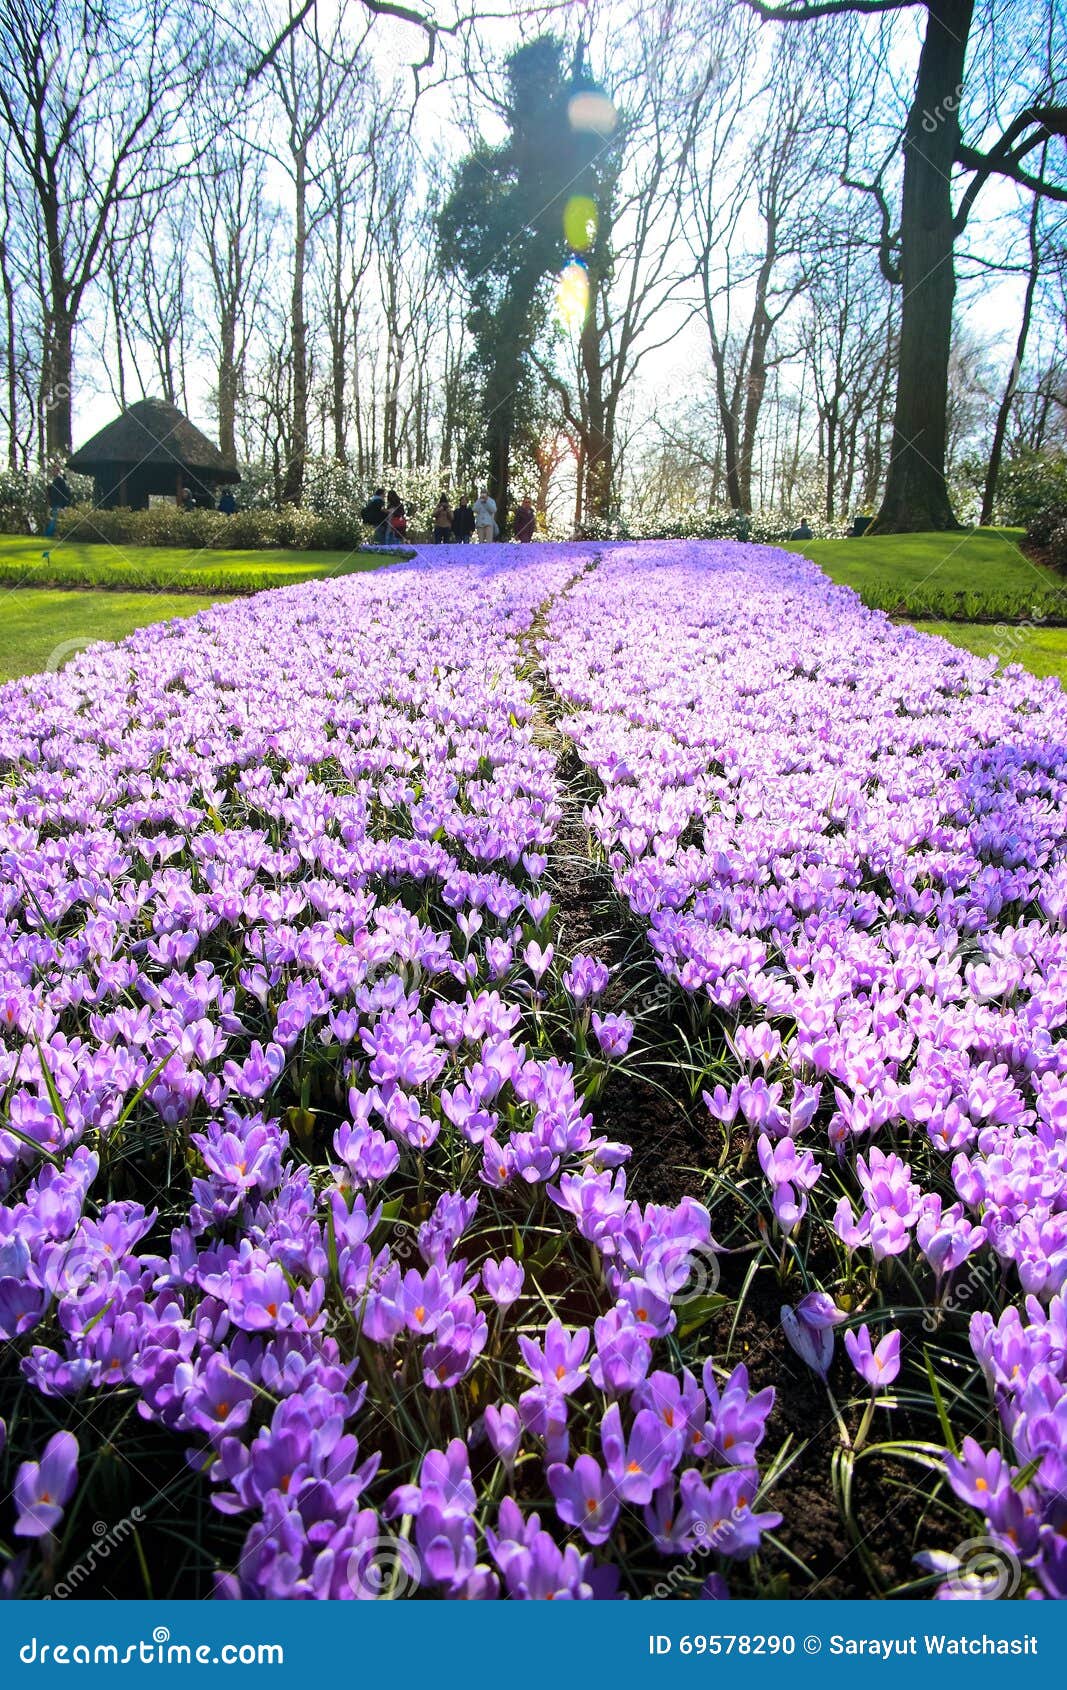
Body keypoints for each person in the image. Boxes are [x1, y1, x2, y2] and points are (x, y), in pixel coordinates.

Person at [44, 467, 72, 537]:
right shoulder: (54, 481)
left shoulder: (60, 480)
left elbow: (65, 491)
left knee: (55, 519)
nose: (53, 472)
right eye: (52, 471)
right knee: (55, 519)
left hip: (58, 503)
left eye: (54, 471)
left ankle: (48, 534)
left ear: (58, 471)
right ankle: (51, 534)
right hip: (55, 503)